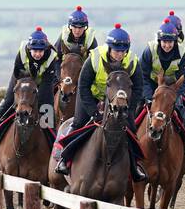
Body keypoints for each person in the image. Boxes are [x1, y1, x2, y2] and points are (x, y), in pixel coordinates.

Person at [55, 24, 146, 178]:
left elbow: (138, 88)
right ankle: (65, 158)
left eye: (123, 51)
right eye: (117, 50)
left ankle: (134, 166)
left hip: (119, 103)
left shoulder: (133, 61)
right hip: (91, 98)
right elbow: (83, 86)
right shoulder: (95, 58)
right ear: (110, 48)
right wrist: (94, 111)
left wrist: (128, 108)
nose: (120, 54)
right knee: (78, 124)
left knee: (131, 128)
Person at [0, 26, 60, 142]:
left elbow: (47, 83)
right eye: (35, 51)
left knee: (46, 102)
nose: (38, 54)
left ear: (46, 49)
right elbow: (17, 72)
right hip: (22, 77)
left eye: (40, 51)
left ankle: (51, 137)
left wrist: (39, 97)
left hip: (43, 80)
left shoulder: (51, 57)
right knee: (8, 99)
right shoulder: (22, 52)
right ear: (29, 49)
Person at [138, 17, 185, 142]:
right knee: (138, 104)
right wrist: (148, 96)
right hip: (152, 84)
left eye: (170, 42)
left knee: (180, 104)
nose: (167, 45)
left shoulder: (183, 52)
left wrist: (175, 94)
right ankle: (130, 132)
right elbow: (143, 75)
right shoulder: (149, 50)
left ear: (175, 41)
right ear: (159, 40)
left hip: (173, 86)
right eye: (164, 42)